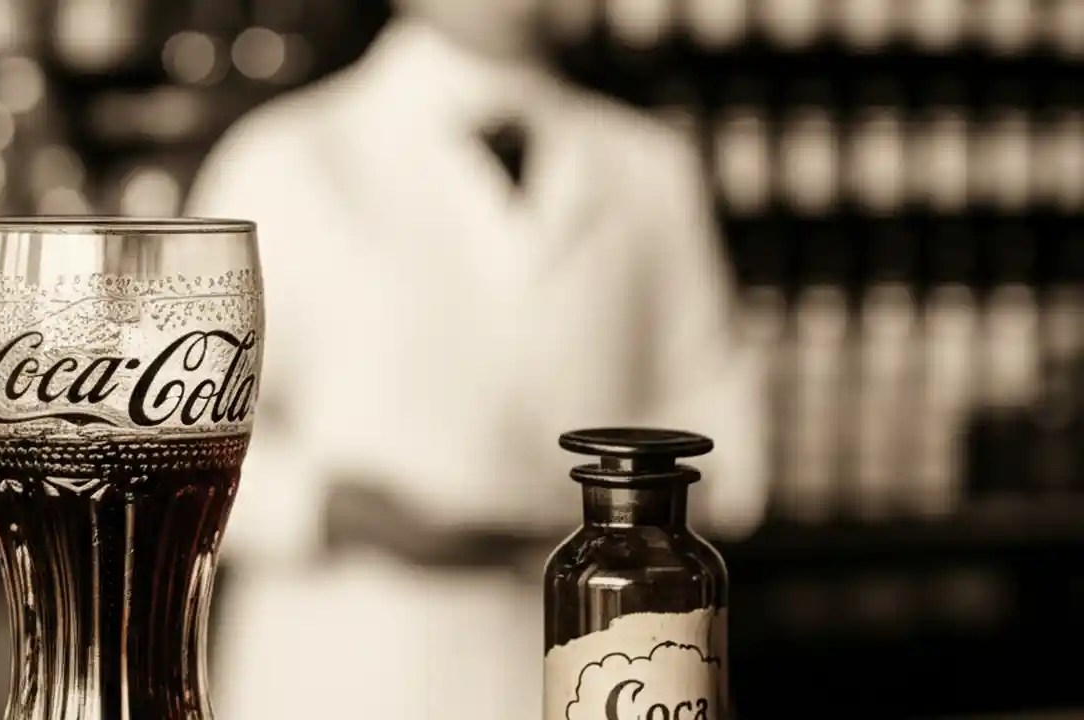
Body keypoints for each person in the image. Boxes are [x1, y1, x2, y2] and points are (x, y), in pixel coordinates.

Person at [186, 1, 767, 718]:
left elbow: (723, 424)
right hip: (349, 660)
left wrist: (630, 522)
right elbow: (178, 437)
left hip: (605, 652)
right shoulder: (283, 157)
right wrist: (336, 509)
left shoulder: (649, 166)